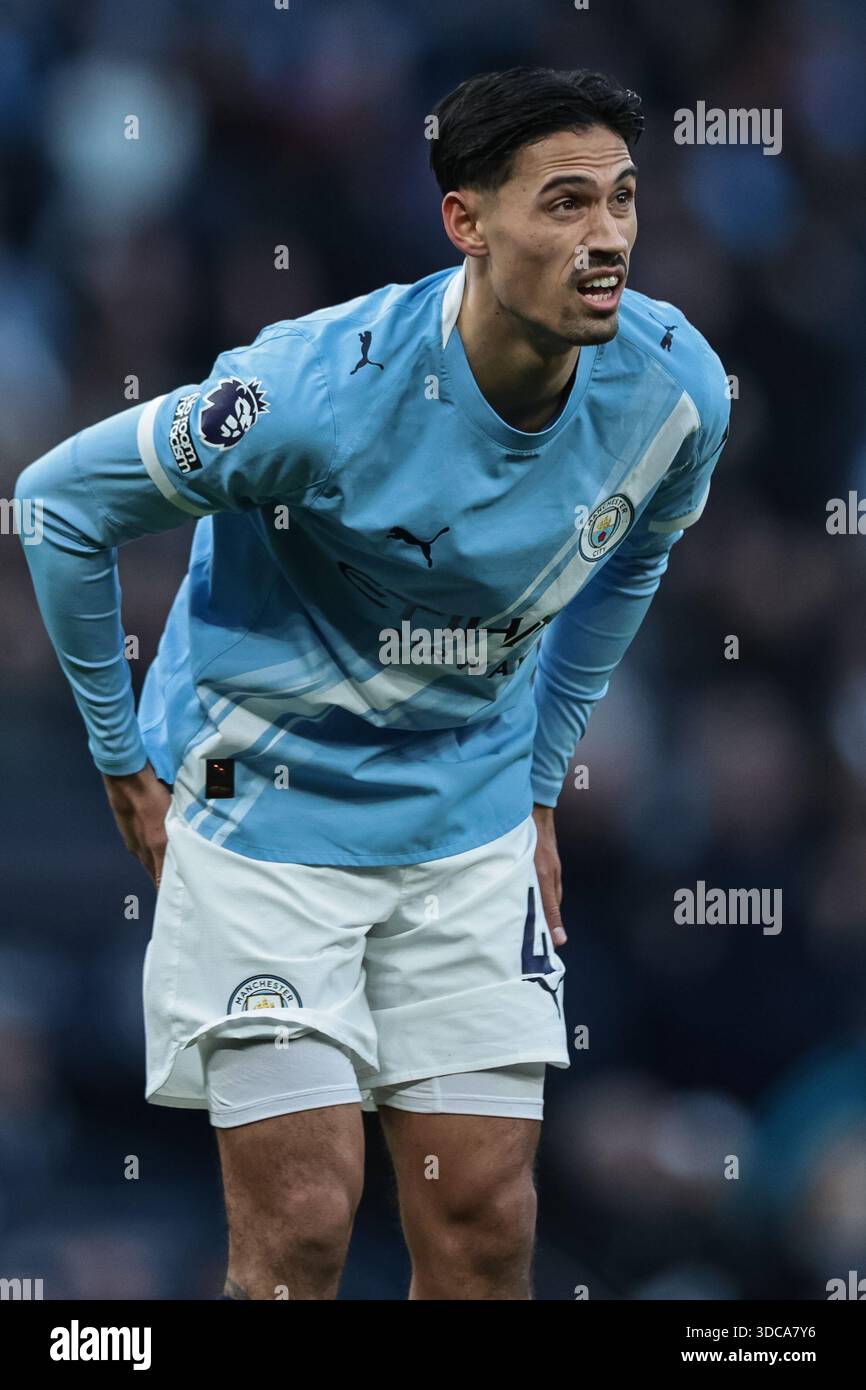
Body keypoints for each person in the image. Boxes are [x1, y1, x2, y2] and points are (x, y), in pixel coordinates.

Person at [16, 66, 730, 1300]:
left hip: (463, 817)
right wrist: (121, 759)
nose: (606, 236)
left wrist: (542, 778)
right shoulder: (307, 399)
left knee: (483, 1222)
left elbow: (632, 556)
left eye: (620, 199)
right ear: (465, 221)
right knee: (301, 1224)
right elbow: (56, 505)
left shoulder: (674, 394)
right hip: (265, 806)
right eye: (563, 204)